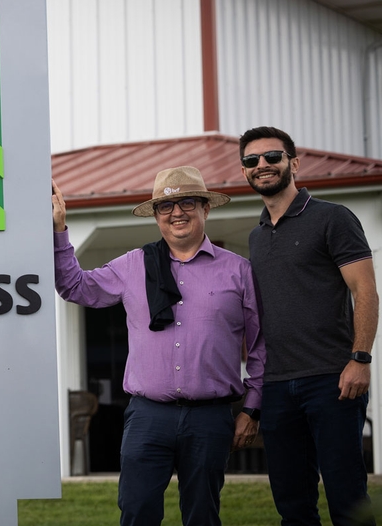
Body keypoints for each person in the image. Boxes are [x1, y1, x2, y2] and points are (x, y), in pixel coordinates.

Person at [52, 167, 265, 526]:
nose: (176, 213)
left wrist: (252, 409)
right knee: (136, 512)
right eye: (165, 206)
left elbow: (261, 347)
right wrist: (59, 229)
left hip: (211, 418)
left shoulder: (239, 271)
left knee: (203, 515)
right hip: (147, 417)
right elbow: (75, 287)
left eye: (186, 203)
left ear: (205, 209)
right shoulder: (132, 265)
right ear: (155, 215)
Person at [238, 126, 378, 525]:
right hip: (278, 386)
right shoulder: (255, 236)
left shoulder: (333, 218)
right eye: (251, 161)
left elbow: (365, 291)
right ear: (245, 171)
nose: (262, 165)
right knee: (292, 501)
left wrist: (360, 358)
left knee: (347, 497)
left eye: (272, 157)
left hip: (331, 379)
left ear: (293, 163)